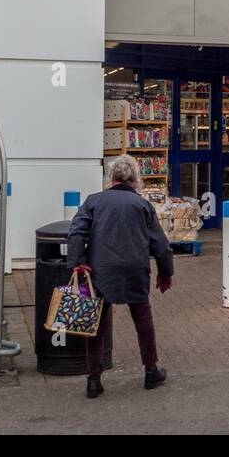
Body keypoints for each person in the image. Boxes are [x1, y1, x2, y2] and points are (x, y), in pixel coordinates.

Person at [67, 154, 174, 399]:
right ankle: (150, 370)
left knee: (95, 323)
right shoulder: (142, 205)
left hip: (100, 270)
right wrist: (165, 272)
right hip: (135, 269)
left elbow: (76, 232)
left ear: (111, 177)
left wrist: (78, 263)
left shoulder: (94, 201)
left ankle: (93, 379)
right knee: (142, 315)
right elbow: (160, 244)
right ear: (135, 179)